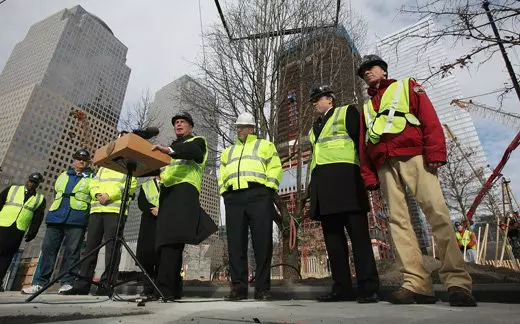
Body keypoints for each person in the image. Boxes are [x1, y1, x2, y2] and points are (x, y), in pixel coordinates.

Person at [357, 54, 477, 307]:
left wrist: (435, 153)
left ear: (383, 69)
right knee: (398, 222)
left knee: (437, 214)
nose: (367, 72)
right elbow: (363, 143)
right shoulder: (367, 107)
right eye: (363, 71)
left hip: (415, 157)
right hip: (384, 165)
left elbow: (429, 118)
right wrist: (369, 175)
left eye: (371, 68)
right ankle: (416, 284)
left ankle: (457, 283)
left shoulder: (407, 86)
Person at [308, 85, 379, 303]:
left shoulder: (346, 112)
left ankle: (368, 288)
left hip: (347, 181)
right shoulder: (314, 128)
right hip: (323, 186)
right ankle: (342, 288)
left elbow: (361, 143)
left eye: (317, 99)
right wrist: (312, 190)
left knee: (359, 237)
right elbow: (316, 158)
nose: (314, 103)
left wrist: (368, 176)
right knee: (333, 241)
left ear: (330, 99)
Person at [218, 112, 282, 301]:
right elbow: (222, 173)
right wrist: (225, 192)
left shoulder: (264, 145)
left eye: (243, 127)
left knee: (262, 243)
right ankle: (238, 288)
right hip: (233, 198)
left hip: (258, 195)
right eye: (238, 127)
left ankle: (262, 289)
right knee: (236, 245)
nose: (239, 130)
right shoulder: (228, 151)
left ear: (252, 128)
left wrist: (268, 190)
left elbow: (275, 167)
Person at [151, 111, 214, 300]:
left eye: (182, 122)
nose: (178, 125)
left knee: (170, 241)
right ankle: (173, 289)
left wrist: (169, 151)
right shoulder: (172, 147)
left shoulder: (197, 141)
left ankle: (165, 290)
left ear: (190, 127)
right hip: (168, 194)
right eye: (176, 122)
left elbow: (193, 153)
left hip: (184, 192)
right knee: (166, 242)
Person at [22, 149, 94, 295]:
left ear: (88, 162)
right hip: (56, 216)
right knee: (48, 250)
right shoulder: (63, 174)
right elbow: (57, 193)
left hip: (77, 218)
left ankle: (67, 282)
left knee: (72, 252)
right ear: (74, 160)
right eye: (78, 158)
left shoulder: (92, 178)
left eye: (84, 160)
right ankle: (40, 283)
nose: (81, 161)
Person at [63, 165, 137, 295]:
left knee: (112, 249)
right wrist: (97, 194)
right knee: (90, 249)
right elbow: (93, 183)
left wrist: (109, 195)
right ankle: (82, 285)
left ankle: (106, 285)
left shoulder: (127, 168)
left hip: (115, 211)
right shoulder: (103, 168)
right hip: (97, 210)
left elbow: (129, 186)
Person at [0, 173, 46, 292]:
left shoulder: (39, 199)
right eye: (31, 181)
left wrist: (32, 232)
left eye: (35, 182)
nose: (32, 184)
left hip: (18, 229)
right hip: (2, 224)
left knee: (7, 256)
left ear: (38, 184)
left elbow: (38, 218)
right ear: (27, 180)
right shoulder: (13, 189)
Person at [135, 175, 160, 297]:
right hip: (149, 221)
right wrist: (151, 209)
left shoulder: (170, 184)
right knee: (147, 256)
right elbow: (141, 202)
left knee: (161, 256)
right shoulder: (146, 185)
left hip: (164, 222)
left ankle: (159, 288)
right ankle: (148, 287)